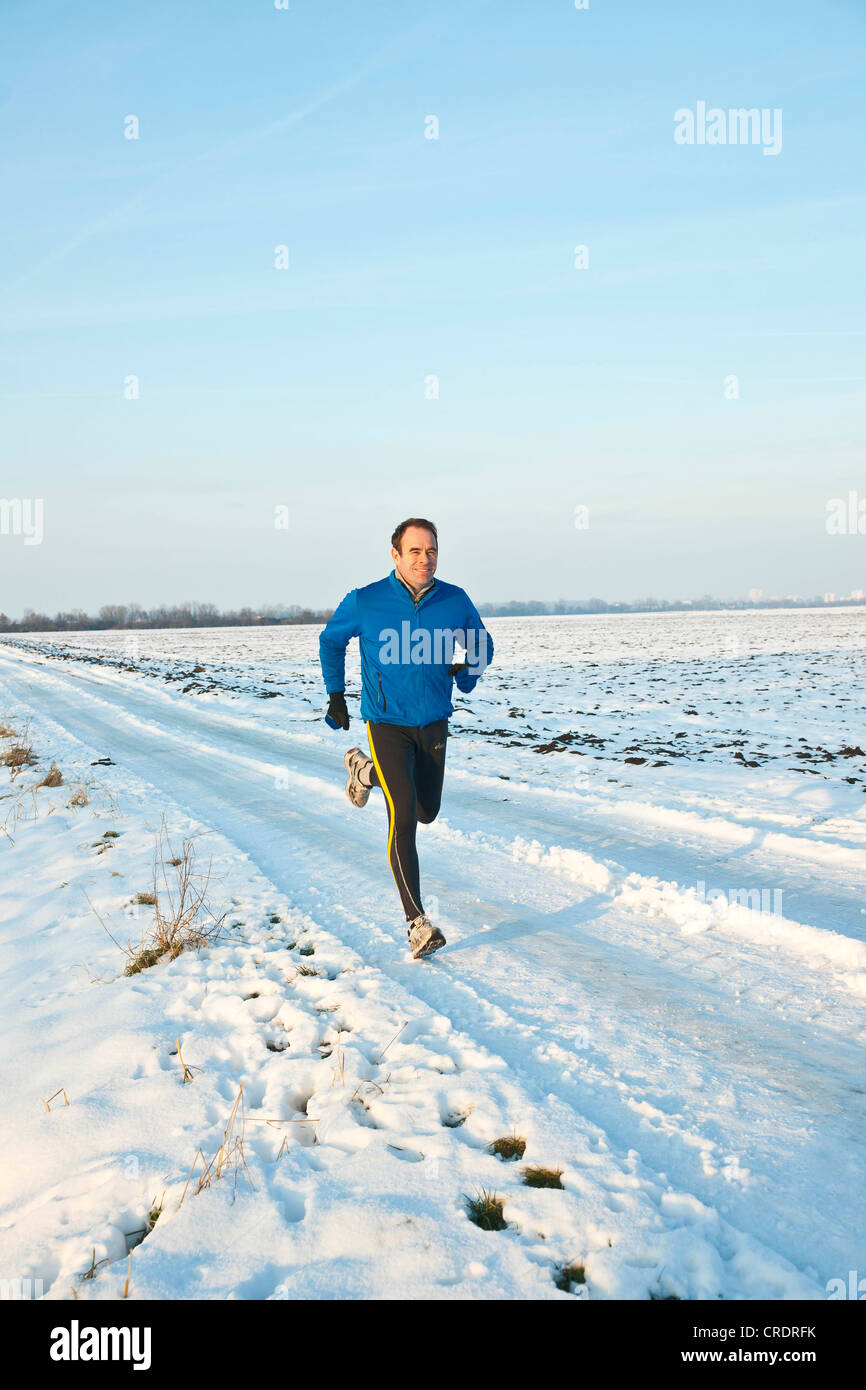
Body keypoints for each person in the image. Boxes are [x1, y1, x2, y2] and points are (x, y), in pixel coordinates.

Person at [318, 517, 495, 958]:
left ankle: (364, 771)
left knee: (425, 810)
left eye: (431, 550)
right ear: (395, 554)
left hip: (433, 719)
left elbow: (482, 644)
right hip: (386, 722)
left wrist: (466, 672)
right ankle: (417, 923)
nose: (424, 559)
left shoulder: (454, 601)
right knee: (403, 815)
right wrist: (336, 694)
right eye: (414, 551)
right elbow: (330, 641)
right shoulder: (367, 601)